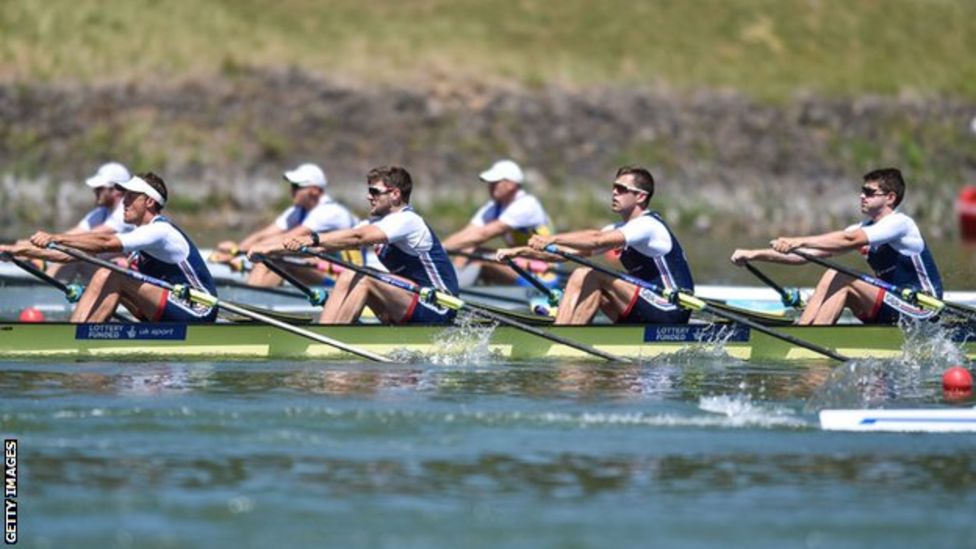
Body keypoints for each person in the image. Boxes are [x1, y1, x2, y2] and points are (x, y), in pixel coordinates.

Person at [730, 167, 943, 325]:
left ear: (890, 198)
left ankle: (814, 338)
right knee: (833, 273)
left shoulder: (901, 224)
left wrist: (798, 240)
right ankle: (805, 328)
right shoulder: (862, 227)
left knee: (843, 277)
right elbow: (805, 255)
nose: (862, 196)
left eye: (869, 192)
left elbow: (849, 240)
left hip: (922, 310)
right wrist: (753, 254)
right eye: (862, 191)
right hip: (894, 307)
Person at [252, 165, 459, 324]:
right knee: (348, 274)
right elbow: (320, 247)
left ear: (395, 194)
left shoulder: (408, 220)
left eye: (374, 191)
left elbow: (357, 237)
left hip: (438, 306)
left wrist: (311, 238)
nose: (369, 196)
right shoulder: (376, 223)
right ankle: (326, 332)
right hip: (409, 299)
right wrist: (270, 250)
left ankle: (333, 340)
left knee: (364, 278)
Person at [497, 165, 694, 325]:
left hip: (670, 308)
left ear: (641, 197)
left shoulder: (648, 225)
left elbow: (596, 239)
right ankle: (568, 331)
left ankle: (560, 332)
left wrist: (552, 238)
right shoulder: (619, 228)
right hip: (647, 307)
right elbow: (564, 253)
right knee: (586, 281)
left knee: (589, 274)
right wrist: (519, 252)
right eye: (614, 187)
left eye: (622, 189)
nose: (614, 193)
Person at [24, 172, 218, 323]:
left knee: (115, 274)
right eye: (125, 196)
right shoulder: (139, 241)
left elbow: (106, 242)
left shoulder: (161, 231)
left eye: (131, 196)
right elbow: (72, 256)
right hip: (170, 308)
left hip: (197, 309)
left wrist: (56, 237)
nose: (124, 202)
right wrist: (16, 252)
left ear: (149, 202)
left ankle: (84, 335)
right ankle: (77, 330)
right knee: (104, 273)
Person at [210, 162, 358, 287]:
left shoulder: (330, 212)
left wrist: (237, 252)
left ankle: (253, 299)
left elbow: (288, 239)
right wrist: (235, 253)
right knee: (272, 255)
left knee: (280, 260)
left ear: (315, 191)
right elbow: (264, 234)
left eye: (297, 186)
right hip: (320, 270)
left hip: (344, 278)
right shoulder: (298, 210)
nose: (292, 191)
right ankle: (255, 295)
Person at [441, 159, 558, 286]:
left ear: (511, 184)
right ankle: (447, 281)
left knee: (481, 256)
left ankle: (451, 287)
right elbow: (469, 235)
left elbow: (483, 234)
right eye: (489, 183)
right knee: (469, 249)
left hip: (543, 273)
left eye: (495, 183)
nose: (490, 187)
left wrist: (437, 249)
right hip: (519, 265)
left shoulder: (527, 204)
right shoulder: (493, 207)